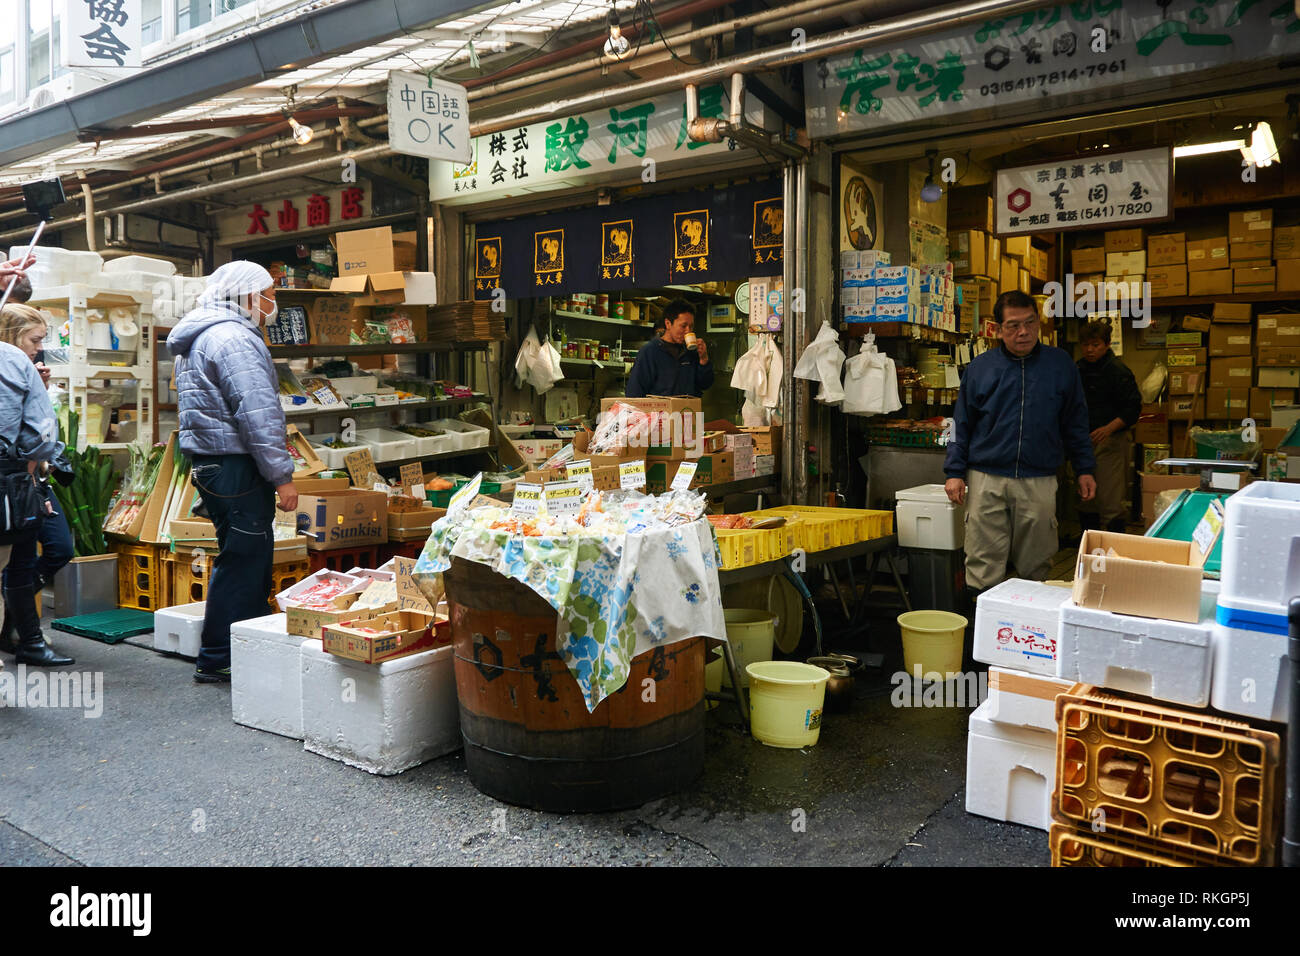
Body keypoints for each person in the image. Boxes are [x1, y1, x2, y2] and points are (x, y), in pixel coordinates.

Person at [167, 262, 297, 684]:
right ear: (246, 295)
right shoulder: (234, 338)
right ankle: (220, 656)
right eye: (268, 292)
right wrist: (282, 476)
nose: (272, 302)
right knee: (244, 560)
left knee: (242, 555)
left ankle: (247, 646)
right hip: (236, 464)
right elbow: (257, 413)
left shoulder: (203, 334)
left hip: (212, 463)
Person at [943, 291, 1097, 596]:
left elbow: (1076, 422)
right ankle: (981, 633)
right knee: (982, 563)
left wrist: (1085, 468)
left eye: (1029, 323)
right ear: (998, 329)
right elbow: (959, 424)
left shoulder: (1060, 365)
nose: (1023, 332)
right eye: (1013, 325)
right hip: (986, 477)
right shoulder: (980, 368)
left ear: (1038, 323)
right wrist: (954, 471)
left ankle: (1030, 633)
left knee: (1037, 564)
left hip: (1038, 478)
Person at [0, 304, 76, 665]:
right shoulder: (12, 363)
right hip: (17, 478)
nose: (38, 348)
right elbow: (35, 433)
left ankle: (21, 633)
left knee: (48, 551)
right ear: (12, 335)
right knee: (20, 559)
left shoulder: (20, 367)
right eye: (35, 339)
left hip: (27, 478)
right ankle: (26, 638)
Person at [1077, 320, 1141, 534]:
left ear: (1106, 344)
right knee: (1086, 498)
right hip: (1083, 441)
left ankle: (1114, 549)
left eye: (1095, 345)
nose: (1090, 350)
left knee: (1111, 500)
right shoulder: (1077, 369)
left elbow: (1132, 409)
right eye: (1085, 345)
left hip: (1111, 441)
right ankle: (1087, 547)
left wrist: (1108, 429)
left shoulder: (1118, 370)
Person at [625, 299, 714, 398]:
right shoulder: (650, 351)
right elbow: (634, 392)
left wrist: (704, 360)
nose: (688, 331)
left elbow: (705, 385)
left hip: (688, 411)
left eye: (691, 326)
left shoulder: (691, 352)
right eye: (683, 326)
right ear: (668, 323)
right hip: (659, 411)